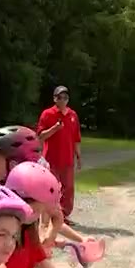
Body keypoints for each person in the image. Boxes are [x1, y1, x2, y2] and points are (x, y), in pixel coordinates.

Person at [36, 86, 82, 223]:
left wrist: (78, 156)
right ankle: (48, 217)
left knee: (68, 189)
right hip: (51, 159)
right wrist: (55, 128)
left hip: (68, 159)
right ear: (54, 98)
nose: (63, 100)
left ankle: (63, 216)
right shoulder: (47, 114)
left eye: (65, 97)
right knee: (51, 189)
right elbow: (40, 136)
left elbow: (76, 138)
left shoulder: (73, 115)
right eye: (59, 97)